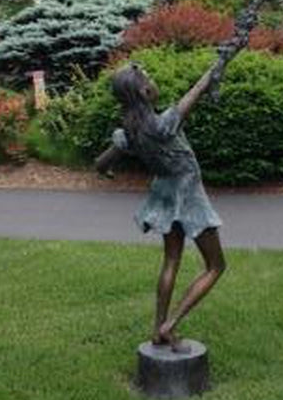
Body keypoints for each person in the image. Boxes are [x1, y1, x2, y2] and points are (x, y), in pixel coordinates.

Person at [94, 52, 232, 351]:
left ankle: (158, 326)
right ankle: (171, 325)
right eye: (149, 79)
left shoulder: (130, 133)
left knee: (171, 259)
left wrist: (106, 172)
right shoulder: (164, 123)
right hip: (189, 195)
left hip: (164, 195)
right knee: (216, 265)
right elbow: (197, 90)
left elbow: (101, 163)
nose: (153, 82)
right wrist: (220, 62)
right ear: (145, 92)